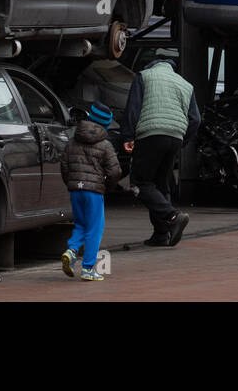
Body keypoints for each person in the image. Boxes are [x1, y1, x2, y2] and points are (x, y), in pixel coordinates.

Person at [123, 54, 200, 247]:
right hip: (175, 137)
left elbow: (133, 108)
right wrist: (182, 139)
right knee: (160, 185)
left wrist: (127, 136)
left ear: (151, 64)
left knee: (139, 183)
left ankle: (173, 216)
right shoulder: (185, 83)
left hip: (151, 134)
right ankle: (161, 235)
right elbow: (196, 119)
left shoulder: (144, 76)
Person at [59, 102, 121, 282]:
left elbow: (64, 165)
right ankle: (88, 269)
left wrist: (71, 183)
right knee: (95, 228)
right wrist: (106, 187)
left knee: (80, 225)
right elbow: (114, 172)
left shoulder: (72, 140)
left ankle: (71, 251)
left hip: (75, 190)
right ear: (106, 124)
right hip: (94, 192)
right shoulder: (105, 145)